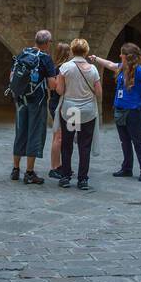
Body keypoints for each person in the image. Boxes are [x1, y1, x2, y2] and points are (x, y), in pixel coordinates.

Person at [90, 44, 141, 182]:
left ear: (128, 57)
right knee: (124, 141)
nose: (120, 56)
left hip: (133, 110)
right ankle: (127, 168)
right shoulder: (122, 67)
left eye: (122, 54)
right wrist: (96, 58)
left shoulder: (139, 70)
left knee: (137, 141)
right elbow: (109, 64)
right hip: (120, 110)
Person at [52, 38, 101, 190]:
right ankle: (83, 179)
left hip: (70, 110)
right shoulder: (93, 69)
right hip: (87, 111)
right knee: (84, 145)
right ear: (86, 51)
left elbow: (59, 90)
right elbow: (99, 92)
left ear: (72, 51)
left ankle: (65, 177)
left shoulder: (65, 67)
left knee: (66, 144)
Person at [9, 29, 57, 184]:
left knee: (20, 131)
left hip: (20, 100)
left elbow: (12, 77)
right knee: (34, 133)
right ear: (48, 43)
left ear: (35, 41)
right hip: (37, 101)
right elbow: (51, 85)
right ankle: (29, 172)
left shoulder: (23, 53)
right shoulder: (45, 58)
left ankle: (15, 169)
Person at [47, 42, 72, 180]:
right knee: (59, 136)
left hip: (58, 103)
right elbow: (57, 89)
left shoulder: (55, 68)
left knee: (61, 136)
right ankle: (55, 167)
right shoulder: (60, 69)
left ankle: (61, 165)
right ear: (67, 53)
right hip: (59, 104)